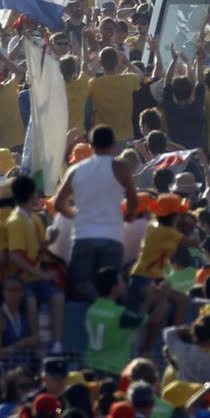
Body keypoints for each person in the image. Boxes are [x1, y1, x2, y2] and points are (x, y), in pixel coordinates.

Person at [52, 125, 138, 301]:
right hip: (112, 236)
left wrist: (77, 217)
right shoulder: (121, 168)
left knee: (82, 290)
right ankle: (109, 322)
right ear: (114, 145)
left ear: (91, 145)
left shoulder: (76, 170)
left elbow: (59, 204)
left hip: (83, 236)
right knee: (111, 291)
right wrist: (125, 217)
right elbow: (133, 202)